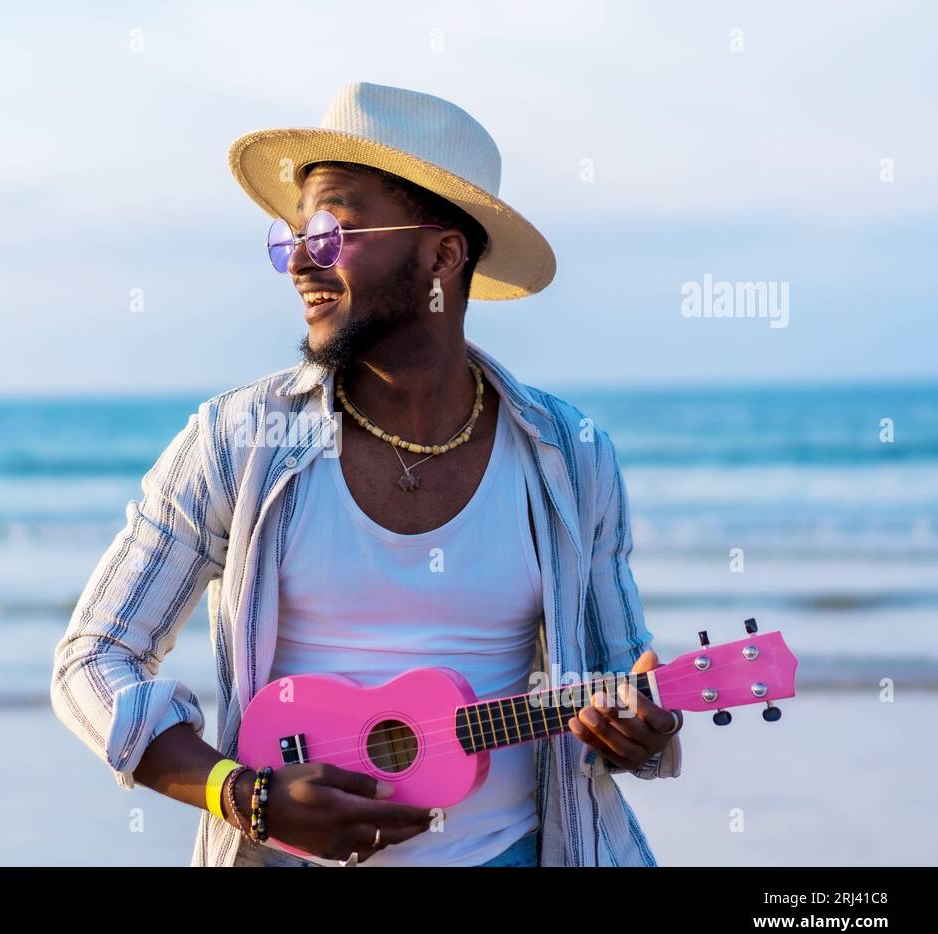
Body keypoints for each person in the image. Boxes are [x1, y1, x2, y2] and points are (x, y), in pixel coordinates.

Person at [51, 82, 682, 867]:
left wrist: (638, 732)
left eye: (331, 229)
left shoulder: (570, 454)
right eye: (290, 237)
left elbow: (622, 689)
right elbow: (93, 657)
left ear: (442, 254)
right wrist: (241, 794)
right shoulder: (239, 442)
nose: (300, 263)